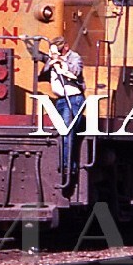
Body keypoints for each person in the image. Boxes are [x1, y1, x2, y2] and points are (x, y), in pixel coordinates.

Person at [44, 36, 85, 179]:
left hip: (73, 98)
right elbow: (43, 71)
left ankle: (67, 167)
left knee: (67, 131)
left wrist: (61, 61)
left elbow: (76, 71)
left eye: (59, 49)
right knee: (62, 133)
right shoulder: (53, 57)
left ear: (65, 47)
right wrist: (51, 60)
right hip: (60, 100)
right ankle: (64, 163)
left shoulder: (74, 57)